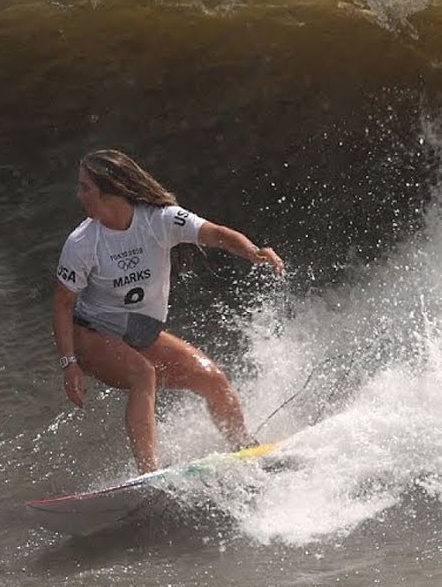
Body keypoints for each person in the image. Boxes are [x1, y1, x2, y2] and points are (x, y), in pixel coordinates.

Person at [52, 149, 285, 474]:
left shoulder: (159, 219)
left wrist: (252, 252)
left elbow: (215, 234)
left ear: (110, 190)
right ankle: (149, 475)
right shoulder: (82, 243)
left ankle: (246, 449)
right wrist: (69, 364)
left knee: (213, 380)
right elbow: (63, 305)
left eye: (85, 187)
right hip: (92, 335)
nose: (79, 195)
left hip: (142, 334)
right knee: (142, 373)